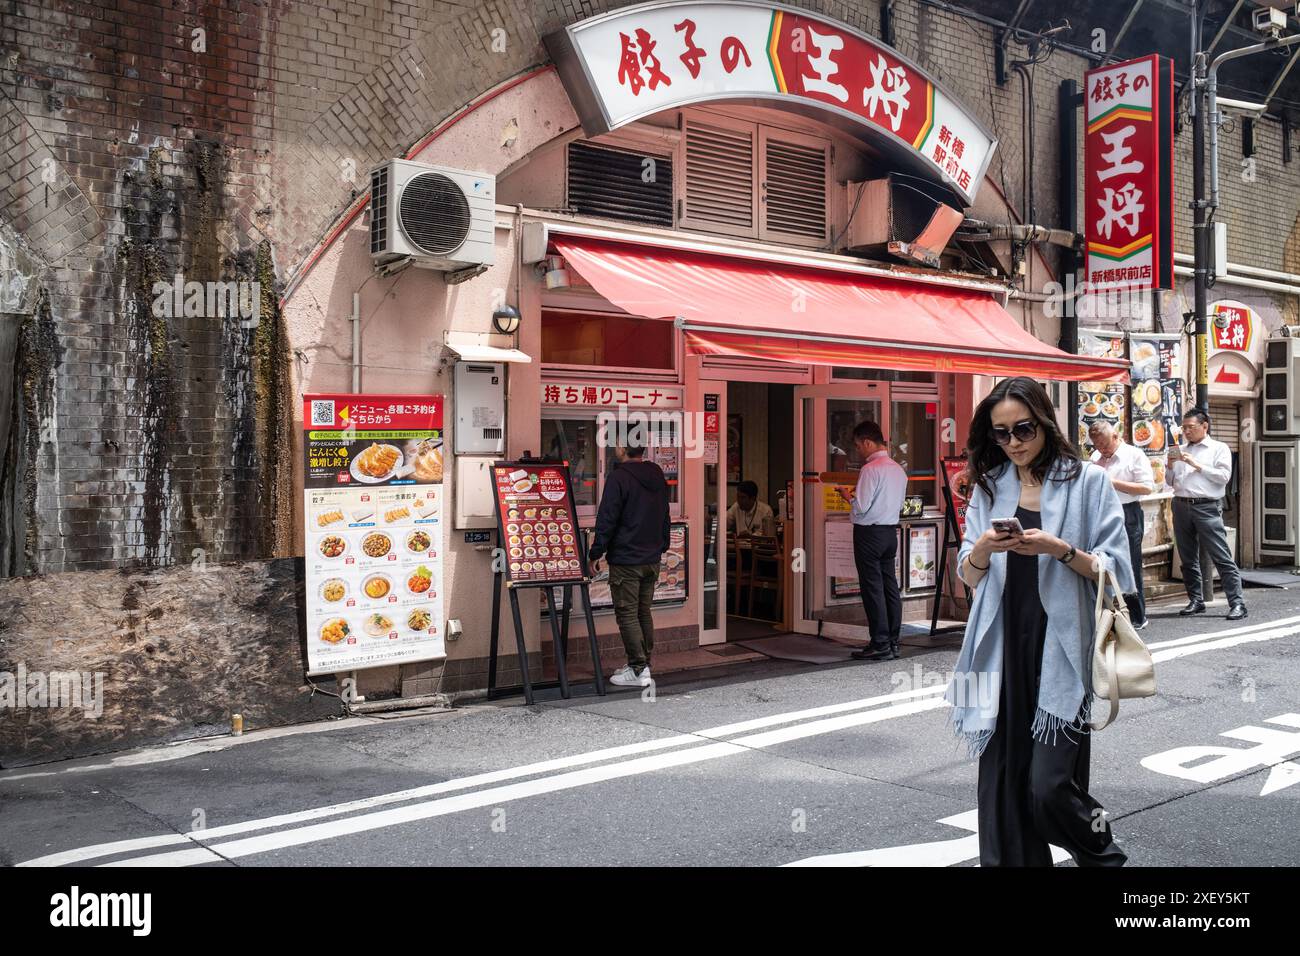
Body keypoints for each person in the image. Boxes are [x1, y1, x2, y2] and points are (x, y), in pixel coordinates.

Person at [948, 376, 1131, 867]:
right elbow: (968, 574)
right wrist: (983, 548)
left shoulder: (1088, 482)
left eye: (1023, 429)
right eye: (1001, 434)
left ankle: (1102, 855)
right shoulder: (991, 486)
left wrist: (1061, 549)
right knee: (1002, 787)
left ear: (1046, 423)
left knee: (1048, 785)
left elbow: (1116, 572)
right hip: (999, 649)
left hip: (1061, 650)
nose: (1013, 443)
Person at [589, 442, 671, 688]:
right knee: (642, 612)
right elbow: (664, 513)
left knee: (627, 614)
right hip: (651, 557)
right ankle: (643, 664)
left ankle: (638, 669)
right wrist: (662, 545)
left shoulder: (619, 477)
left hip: (626, 559)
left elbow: (607, 517)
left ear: (623, 448)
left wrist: (596, 553)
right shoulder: (656, 474)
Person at [839, 420, 908, 661]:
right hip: (890, 532)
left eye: (858, 445)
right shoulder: (898, 469)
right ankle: (893, 641)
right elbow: (900, 504)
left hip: (869, 534)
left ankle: (879, 642)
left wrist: (848, 497)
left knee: (872, 588)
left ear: (868, 442)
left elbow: (862, 507)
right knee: (890, 586)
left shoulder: (870, 470)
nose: (858, 450)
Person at [1168, 408, 1246, 620]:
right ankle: (1195, 600)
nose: (1186, 432)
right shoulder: (1181, 448)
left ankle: (1237, 603)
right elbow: (1169, 481)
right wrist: (1170, 466)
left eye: (1191, 427)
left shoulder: (1219, 448)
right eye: (1184, 428)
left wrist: (1196, 464)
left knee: (1221, 555)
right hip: (1180, 504)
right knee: (1187, 558)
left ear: (1205, 426)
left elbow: (1223, 477)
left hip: (1207, 506)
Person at [1089, 419, 1155, 629]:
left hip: (1128, 512)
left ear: (1116, 437)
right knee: (1101, 563)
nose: (1103, 451)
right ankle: (1107, 612)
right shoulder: (1095, 458)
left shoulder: (1134, 455)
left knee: (1130, 564)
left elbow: (1147, 488)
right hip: (1100, 513)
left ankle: (1137, 616)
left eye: (1106, 446)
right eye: (1098, 446)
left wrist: (1113, 482)